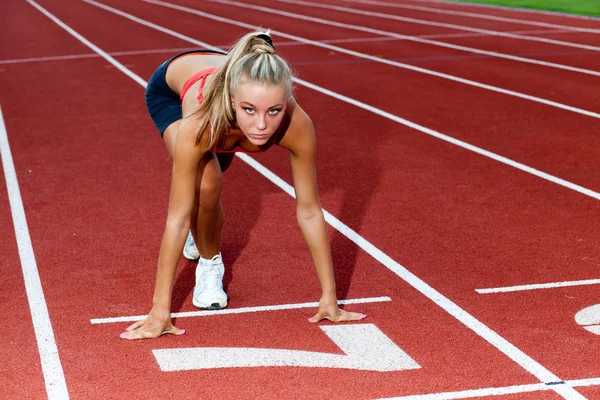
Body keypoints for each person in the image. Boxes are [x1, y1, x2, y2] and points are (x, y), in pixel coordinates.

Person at [121, 31, 365, 340]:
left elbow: (309, 211)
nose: (262, 125)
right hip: (173, 93)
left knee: (213, 168)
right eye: (249, 110)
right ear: (234, 102)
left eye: (273, 111)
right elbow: (178, 216)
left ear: (285, 101)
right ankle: (209, 264)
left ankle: (204, 227)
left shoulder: (297, 124)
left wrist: (330, 298)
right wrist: (160, 311)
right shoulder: (200, 123)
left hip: (225, 118)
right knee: (207, 183)